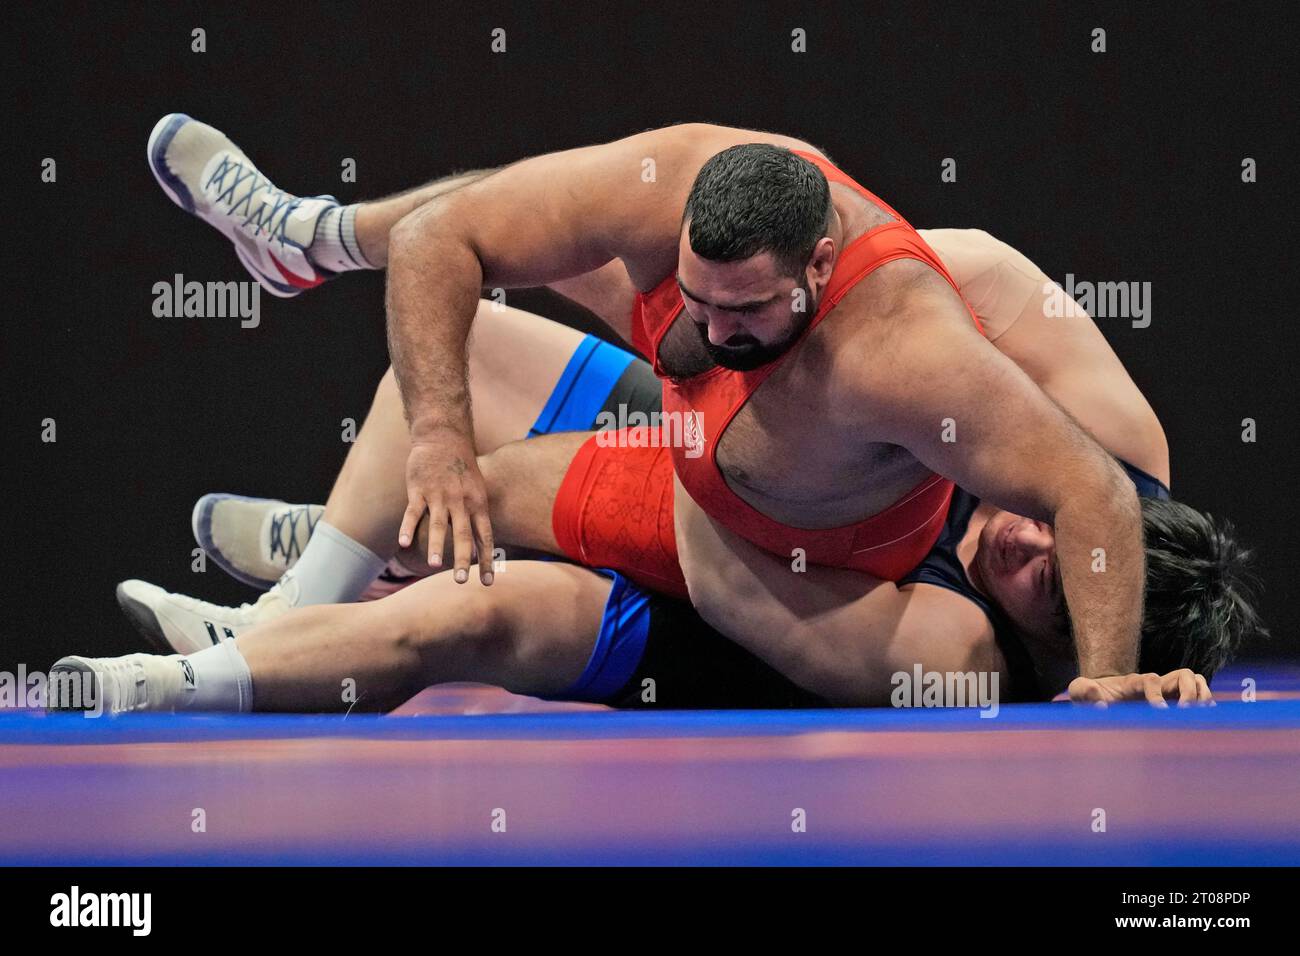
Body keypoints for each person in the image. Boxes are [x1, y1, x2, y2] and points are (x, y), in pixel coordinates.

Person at [144, 115, 1147, 688]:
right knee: (519, 245)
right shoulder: (1030, 372)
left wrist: (1105, 681)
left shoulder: (960, 650)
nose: (1025, 546)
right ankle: (314, 238)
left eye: (1050, 589)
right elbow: (1097, 493)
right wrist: (441, 438)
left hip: (739, 551)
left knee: (473, 604)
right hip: (745, 432)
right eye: (1049, 529)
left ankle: (340, 560)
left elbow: (733, 592)